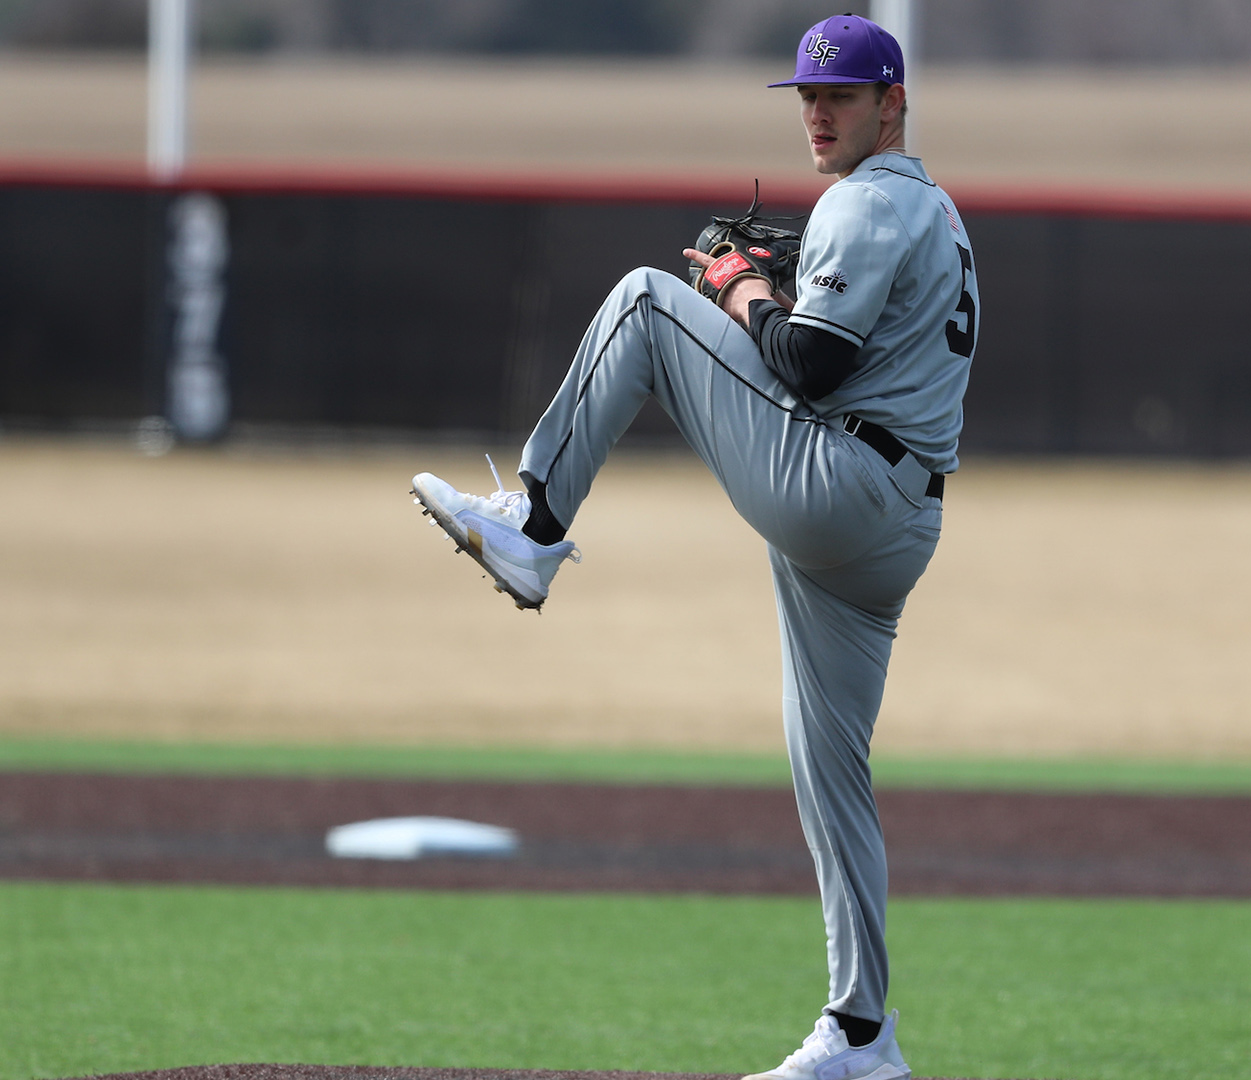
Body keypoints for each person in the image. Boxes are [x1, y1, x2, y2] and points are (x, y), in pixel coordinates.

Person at [409, 14, 977, 1080]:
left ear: (892, 103)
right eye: (808, 96)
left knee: (643, 303)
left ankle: (535, 527)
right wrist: (773, 302)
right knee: (831, 770)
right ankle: (863, 1034)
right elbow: (847, 359)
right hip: (899, 521)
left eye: (842, 95)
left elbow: (809, 365)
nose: (819, 113)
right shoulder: (938, 213)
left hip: (842, 484)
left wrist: (739, 287)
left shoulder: (866, 200)